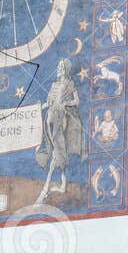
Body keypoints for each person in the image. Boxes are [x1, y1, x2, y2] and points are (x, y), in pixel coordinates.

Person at [36, 58, 85, 199]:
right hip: (49, 120)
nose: (58, 69)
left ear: (66, 69)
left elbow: (77, 101)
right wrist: (37, 109)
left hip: (61, 119)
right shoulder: (53, 85)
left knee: (58, 150)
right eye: (58, 66)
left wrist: (66, 103)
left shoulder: (69, 84)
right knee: (59, 151)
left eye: (61, 67)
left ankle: (46, 186)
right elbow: (48, 103)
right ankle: (63, 185)